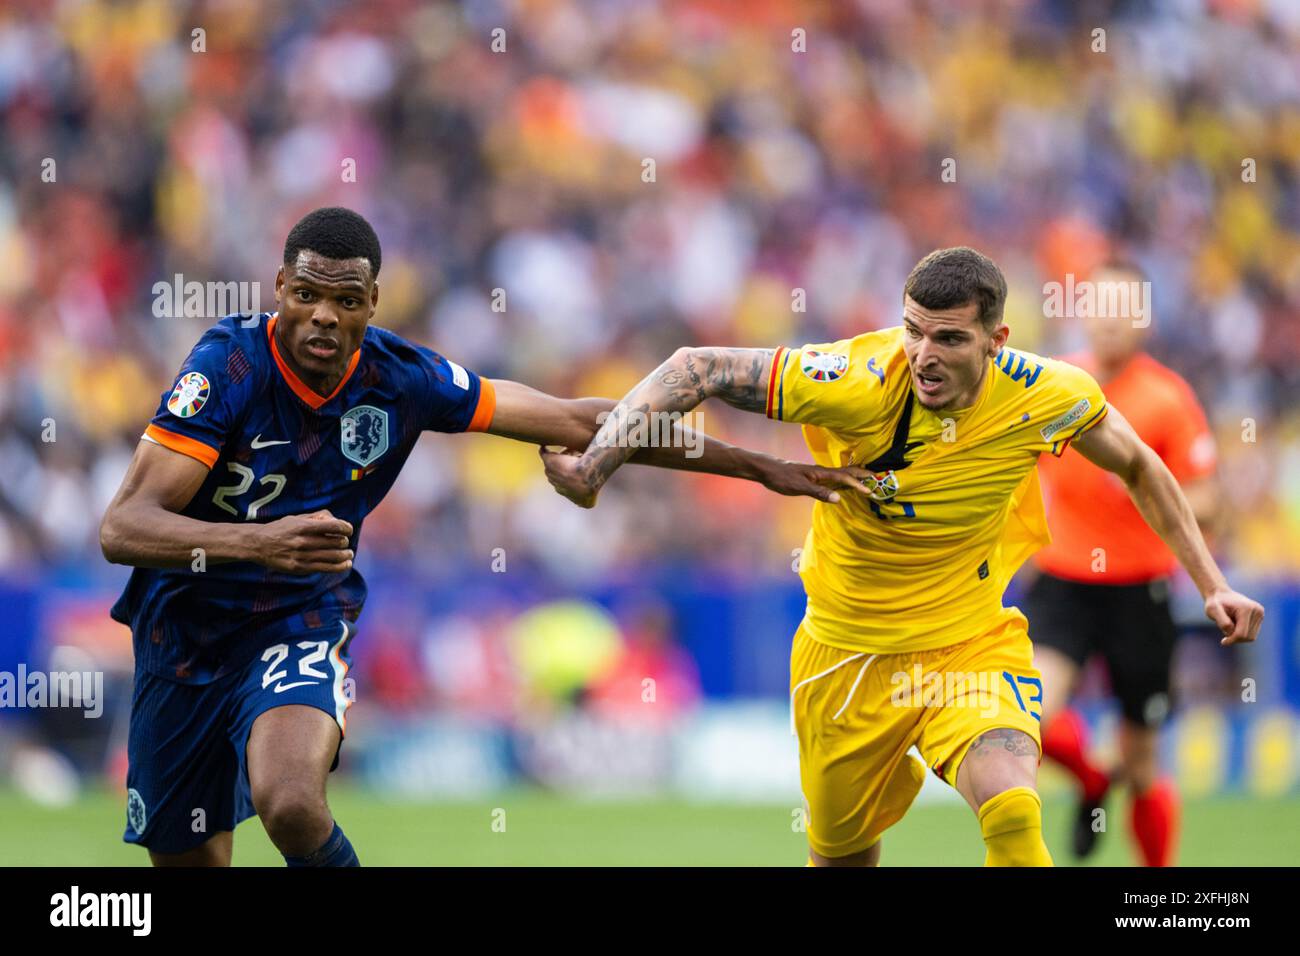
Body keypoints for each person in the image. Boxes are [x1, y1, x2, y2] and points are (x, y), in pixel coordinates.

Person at [99, 206, 865, 867]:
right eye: (305, 295)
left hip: (294, 621)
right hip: (183, 637)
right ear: (279, 291)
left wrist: (762, 467)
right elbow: (123, 526)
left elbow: (581, 420)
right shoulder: (227, 368)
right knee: (188, 854)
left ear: (372, 303)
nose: (322, 316)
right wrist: (257, 544)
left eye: (343, 299)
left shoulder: (405, 379)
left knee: (291, 801)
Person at [540, 246, 1265, 867]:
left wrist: (1211, 585)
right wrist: (597, 465)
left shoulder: (1048, 395)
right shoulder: (856, 380)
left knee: (1014, 807)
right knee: (843, 857)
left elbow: (1140, 464)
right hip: (846, 658)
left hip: (968, 643)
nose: (923, 354)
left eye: (948, 338)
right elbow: (694, 366)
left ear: (997, 339)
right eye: (914, 331)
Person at [1026, 260, 1219, 865]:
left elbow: (1206, 497)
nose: (1107, 322)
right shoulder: (1057, 384)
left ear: (1142, 320)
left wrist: (1141, 487)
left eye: (1121, 310)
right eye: (1097, 308)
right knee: (1025, 717)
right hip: (1063, 581)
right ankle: (1089, 777)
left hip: (1141, 591)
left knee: (1141, 762)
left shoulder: (1167, 399)